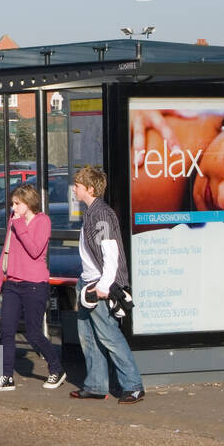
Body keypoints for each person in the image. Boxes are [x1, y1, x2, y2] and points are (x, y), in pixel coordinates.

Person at [71, 166, 145, 404]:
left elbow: (110, 251)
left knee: (109, 336)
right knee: (88, 336)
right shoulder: (91, 212)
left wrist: (103, 285)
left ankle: (133, 385)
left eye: (79, 186)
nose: (75, 189)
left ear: (90, 189)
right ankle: (96, 384)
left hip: (97, 284)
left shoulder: (100, 214)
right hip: (88, 282)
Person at [0, 184, 64, 391]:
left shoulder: (42, 221)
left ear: (28, 203)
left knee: (33, 332)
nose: (13, 207)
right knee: (7, 330)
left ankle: (56, 368)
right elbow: (6, 250)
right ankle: (6, 376)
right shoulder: (14, 222)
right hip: (12, 283)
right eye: (12, 203)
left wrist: (19, 225)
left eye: (17, 203)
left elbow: (35, 250)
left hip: (34, 285)